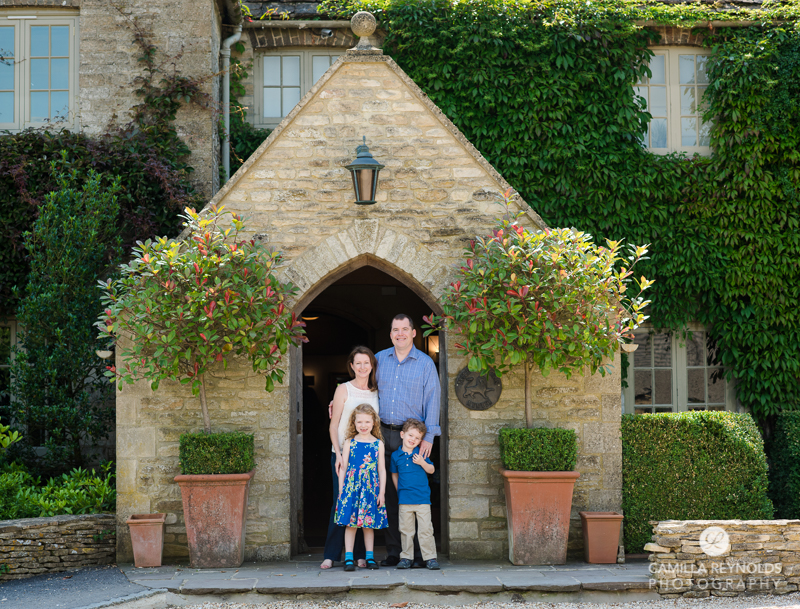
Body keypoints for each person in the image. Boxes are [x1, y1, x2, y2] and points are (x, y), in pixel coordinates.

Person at [375, 313, 441, 567]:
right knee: (390, 495)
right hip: (382, 434)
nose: (399, 334)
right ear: (390, 334)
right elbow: (363, 387)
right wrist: (339, 400)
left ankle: (419, 555)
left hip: (412, 438)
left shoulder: (425, 364)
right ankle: (396, 552)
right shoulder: (380, 359)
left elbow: (432, 402)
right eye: (395, 329)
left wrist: (429, 438)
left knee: (413, 493)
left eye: (405, 329)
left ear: (414, 333)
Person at [320, 346, 379, 570]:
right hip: (344, 455)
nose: (363, 367)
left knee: (364, 504)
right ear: (352, 366)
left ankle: (362, 555)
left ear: (371, 365)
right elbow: (333, 424)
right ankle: (331, 554)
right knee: (342, 502)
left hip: (368, 458)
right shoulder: (343, 389)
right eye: (358, 363)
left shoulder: (376, 391)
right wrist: (338, 453)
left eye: (367, 363)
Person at [334, 403, 388, 571]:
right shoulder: (350, 442)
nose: (363, 426)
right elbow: (343, 466)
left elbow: (381, 469)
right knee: (351, 524)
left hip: (370, 489)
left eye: (367, 422)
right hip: (352, 487)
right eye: (360, 422)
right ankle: (349, 558)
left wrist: (382, 493)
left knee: (368, 525)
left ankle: (370, 557)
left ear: (374, 423)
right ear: (354, 423)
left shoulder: (378, 443)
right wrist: (342, 490)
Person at [390, 418, 440, 570]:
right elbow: (394, 474)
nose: (413, 440)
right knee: (406, 530)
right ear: (402, 434)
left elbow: (431, 470)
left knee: (425, 530)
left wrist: (422, 463)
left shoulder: (421, 453)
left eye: (417, 438)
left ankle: (430, 557)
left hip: (422, 499)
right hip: (405, 499)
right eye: (410, 435)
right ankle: (406, 557)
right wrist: (399, 491)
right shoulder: (395, 456)